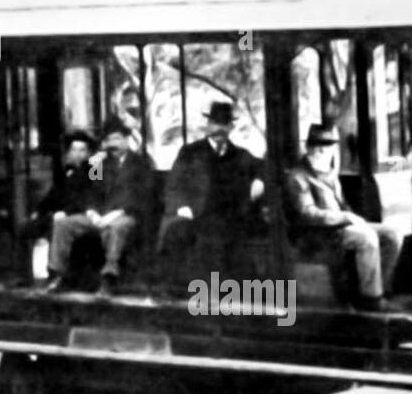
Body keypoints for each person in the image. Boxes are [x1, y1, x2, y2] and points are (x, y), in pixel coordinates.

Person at [285, 123, 401, 312]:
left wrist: (353, 217)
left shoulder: (330, 174)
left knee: (392, 234)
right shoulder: (297, 177)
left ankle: (381, 289)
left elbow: (343, 204)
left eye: (329, 146)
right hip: (320, 234)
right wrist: (345, 217)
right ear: (310, 148)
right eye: (320, 146)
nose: (325, 151)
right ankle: (372, 300)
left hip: (341, 228)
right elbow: (308, 214)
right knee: (367, 238)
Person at [46, 119, 154, 297]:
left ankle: (108, 278)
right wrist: (92, 211)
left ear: (127, 140)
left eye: (117, 139)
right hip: (98, 214)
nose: (113, 144)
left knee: (116, 227)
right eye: (109, 140)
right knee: (63, 224)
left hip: (126, 214)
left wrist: (115, 213)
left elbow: (140, 195)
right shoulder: (98, 164)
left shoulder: (140, 164)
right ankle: (58, 274)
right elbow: (91, 190)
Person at [160, 101, 264, 272]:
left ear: (231, 128)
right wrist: (182, 207)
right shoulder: (190, 152)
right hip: (195, 214)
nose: (219, 129)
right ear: (208, 125)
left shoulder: (239, 155)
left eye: (224, 124)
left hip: (230, 217)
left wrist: (260, 181)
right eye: (215, 123)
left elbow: (264, 167)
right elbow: (173, 184)